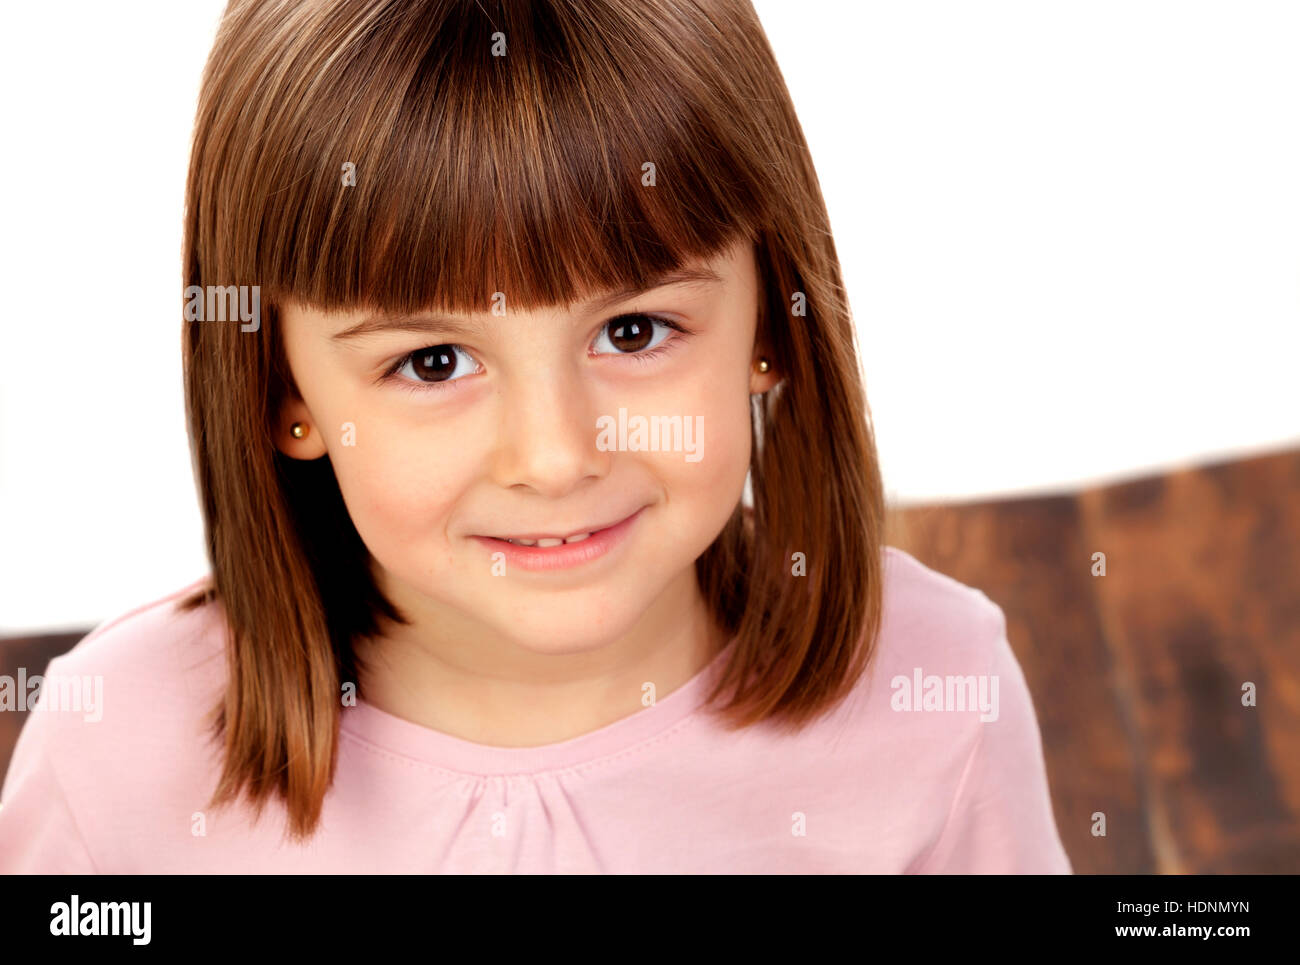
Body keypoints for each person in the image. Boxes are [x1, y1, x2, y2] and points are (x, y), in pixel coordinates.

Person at [0, 0, 1070, 873]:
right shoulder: (118, 753)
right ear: (284, 391)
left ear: (771, 326)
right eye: (431, 363)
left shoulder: (937, 688)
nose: (555, 456)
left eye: (635, 329)